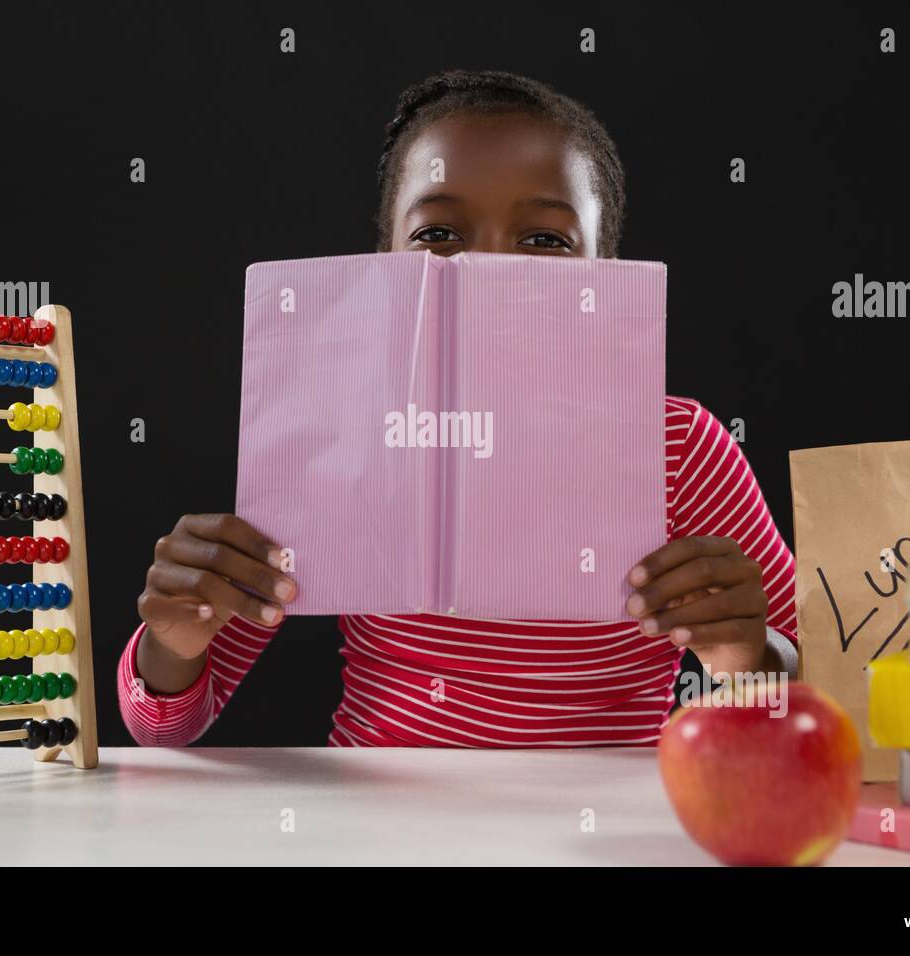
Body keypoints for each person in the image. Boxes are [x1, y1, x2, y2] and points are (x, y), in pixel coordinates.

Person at [119, 69, 797, 747]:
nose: (486, 272)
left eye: (545, 240)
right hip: (378, 838)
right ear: (384, 260)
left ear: (607, 273)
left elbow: (828, 695)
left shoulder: (676, 445)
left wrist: (750, 659)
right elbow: (166, 727)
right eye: (438, 234)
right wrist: (174, 644)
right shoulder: (335, 432)